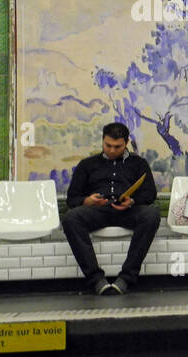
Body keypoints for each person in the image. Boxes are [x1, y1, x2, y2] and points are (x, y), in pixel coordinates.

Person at [62, 122, 160, 295]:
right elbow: (72, 198)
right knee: (71, 218)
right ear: (102, 141)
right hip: (97, 211)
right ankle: (96, 279)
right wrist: (87, 201)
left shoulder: (139, 164)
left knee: (151, 214)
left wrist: (132, 201)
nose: (112, 150)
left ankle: (127, 277)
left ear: (127, 142)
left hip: (128, 211)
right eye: (108, 145)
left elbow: (150, 194)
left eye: (117, 147)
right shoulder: (87, 164)